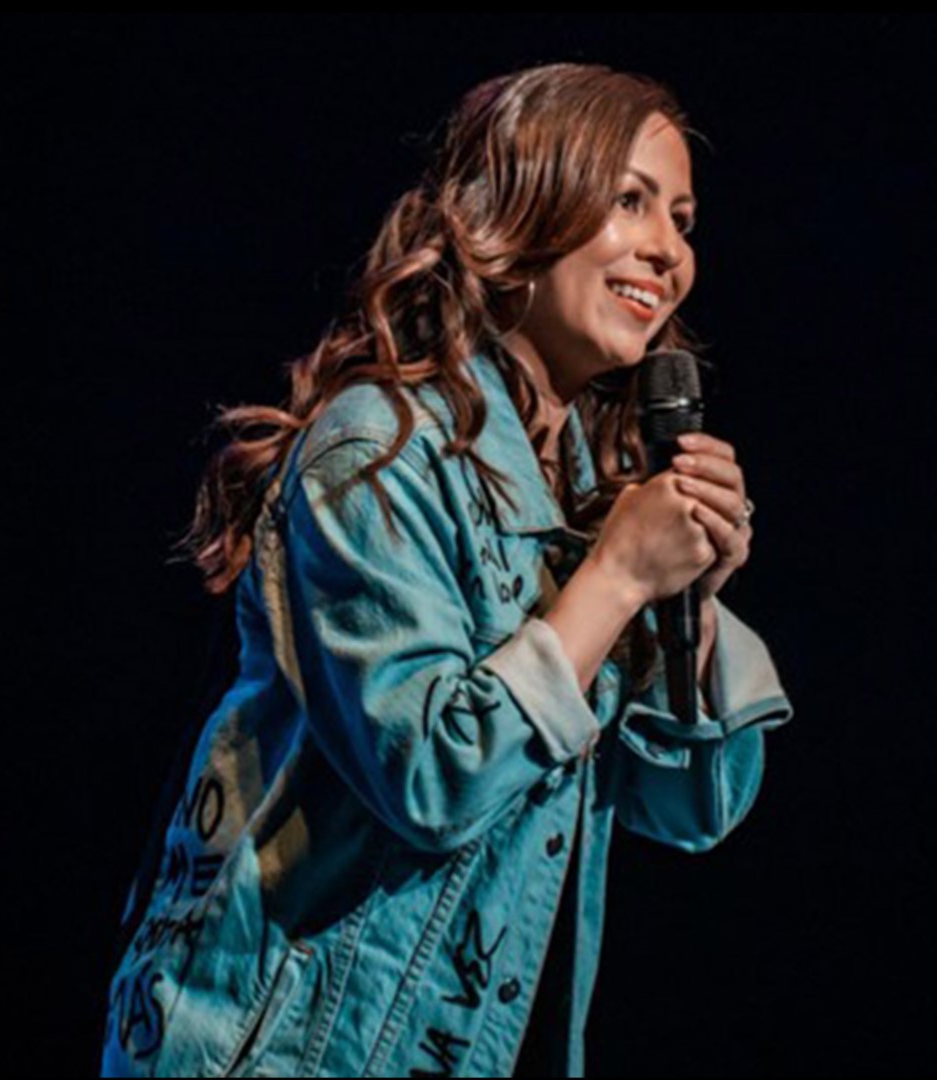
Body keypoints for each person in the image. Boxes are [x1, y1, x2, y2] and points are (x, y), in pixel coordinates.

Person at [99, 62, 795, 1078]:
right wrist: (613, 576)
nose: (669, 249)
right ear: (520, 204)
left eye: (683, 219)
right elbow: (428, 775)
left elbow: (691, 807)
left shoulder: (585, 499)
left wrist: (686, 591)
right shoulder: (373, 448)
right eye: (631, 200)